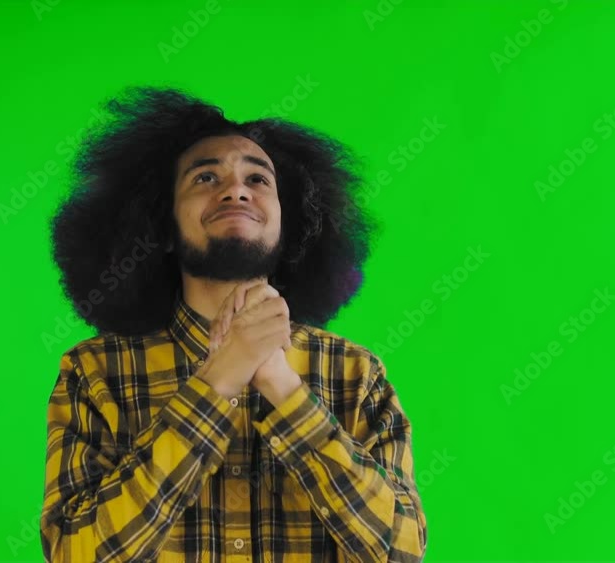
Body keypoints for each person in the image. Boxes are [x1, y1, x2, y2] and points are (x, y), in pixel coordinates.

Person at [41, 86, 428, 562]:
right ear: (159, 226)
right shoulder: (95, 372)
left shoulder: (354, 373)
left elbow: (400, 552)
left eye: (258, 179)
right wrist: (219, 378)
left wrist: (282, 385)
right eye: (205, 177)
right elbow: (77, 554)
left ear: (292, 226)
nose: (236, 189)